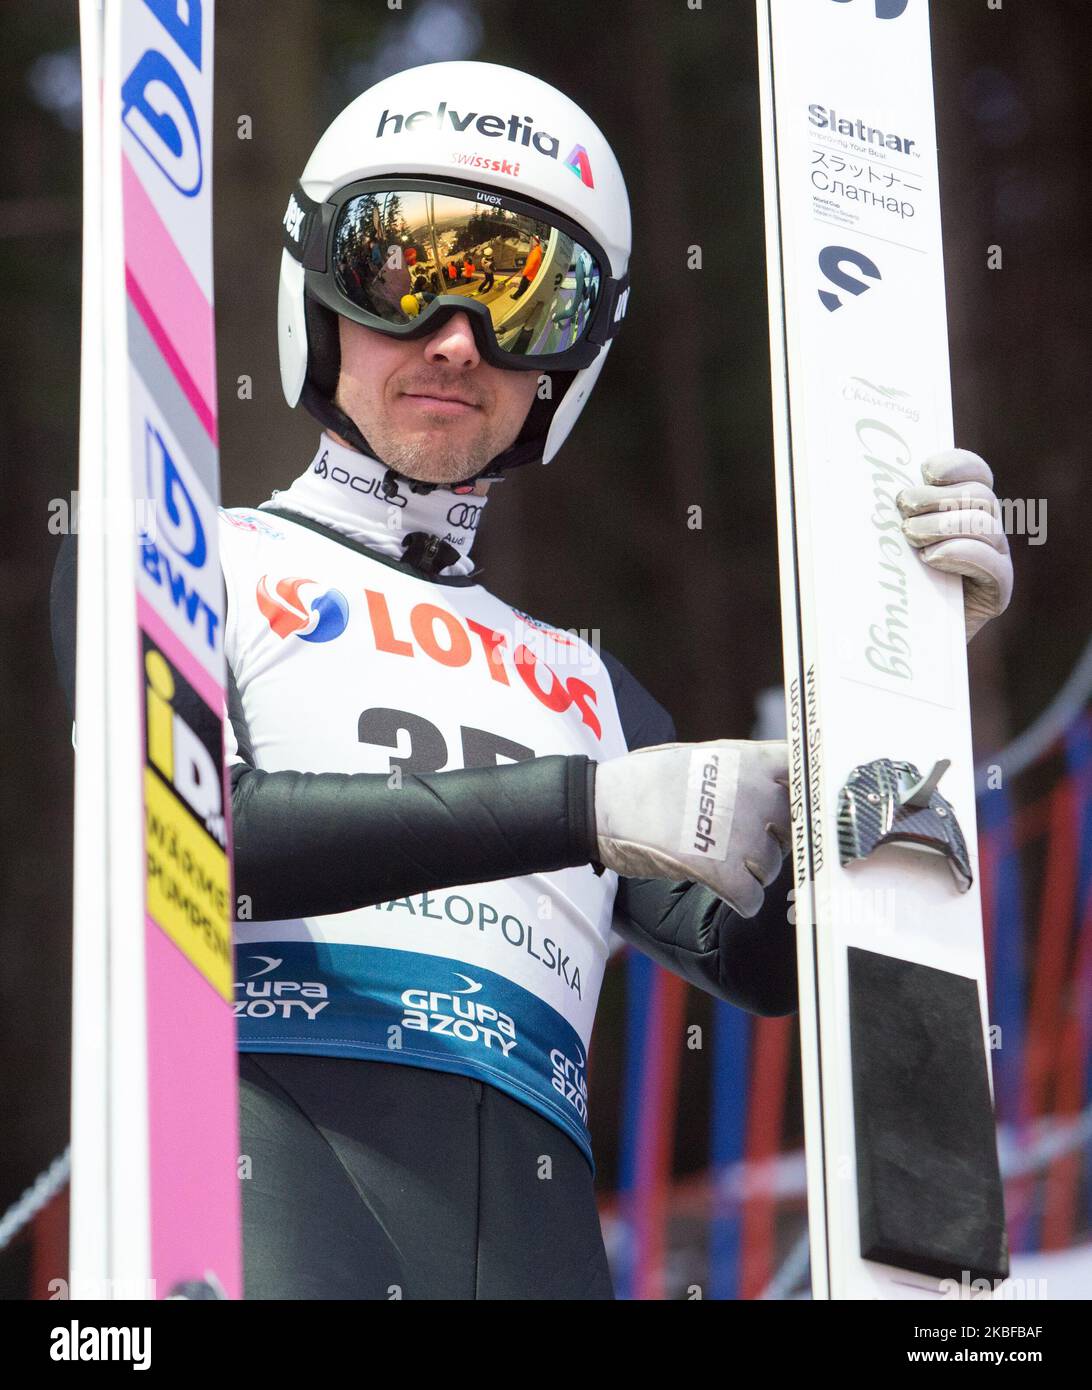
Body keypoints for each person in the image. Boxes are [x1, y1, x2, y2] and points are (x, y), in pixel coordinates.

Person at [50, 59, 1013, 1301]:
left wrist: (912, 663)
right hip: (266, 1179)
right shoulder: (180, 546)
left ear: (571, 359)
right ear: (318, 296)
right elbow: (179, 831)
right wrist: (585, 809)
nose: (459, 339)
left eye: (525, 296)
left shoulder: (595, 688)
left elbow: (770, 964)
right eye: (401, 273)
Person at [510, 233, 544, 300]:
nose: (532, 242)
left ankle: (515, 297)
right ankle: (518, 296)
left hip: (528, 274)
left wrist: (524, 273)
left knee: (522, 287)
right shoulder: (537, 250)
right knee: (523, 287)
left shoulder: (536, 252)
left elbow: (531, 265)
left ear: (536, 242)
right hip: (531, 273)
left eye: (533, 241)